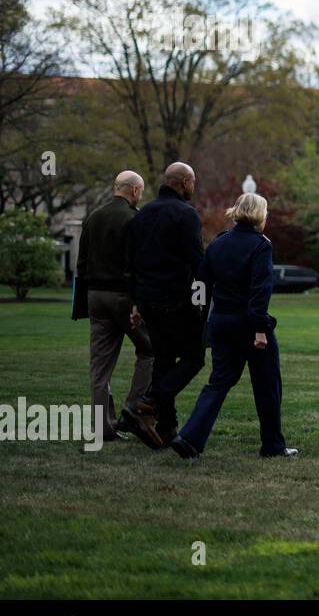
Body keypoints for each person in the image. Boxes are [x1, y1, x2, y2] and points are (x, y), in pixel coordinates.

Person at [170, 193, 295, 459]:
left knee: (218, 382)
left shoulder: (218, 243)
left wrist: (201, 317)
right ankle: (273, 445)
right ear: (259, 215)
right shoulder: (261, 246)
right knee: (267, 386)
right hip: (250, 325)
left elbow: (201, 283)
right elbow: (260, 291)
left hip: (221, 323)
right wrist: (261, 329)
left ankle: (190, 437)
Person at [122, 162, 206, 449]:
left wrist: (136, 302)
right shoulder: (185, 215)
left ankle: (167, 427)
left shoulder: (141, 215)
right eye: (192, 182)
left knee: (164, 360)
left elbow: (130, 264)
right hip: (177, 299)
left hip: (148, 300)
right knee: (195, 357)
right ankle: (151, 401)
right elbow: (198, 261)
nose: (194, 187)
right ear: (184, 182)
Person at [74, 170, 153, 441]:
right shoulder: (134, 219)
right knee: (149, 350)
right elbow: (137, 266)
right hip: (123, 297)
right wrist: (137, 302)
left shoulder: (93, 217)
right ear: (133, 190)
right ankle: (132, 409)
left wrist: (83, 301)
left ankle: (102, 427)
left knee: (100, 365)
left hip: (95, 296)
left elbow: (81, 264)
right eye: (140, 190)